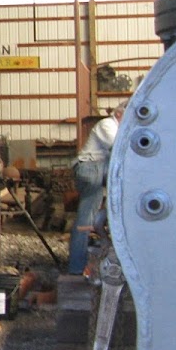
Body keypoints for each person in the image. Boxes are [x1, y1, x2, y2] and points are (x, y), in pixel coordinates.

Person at [69, 100, 127, 274]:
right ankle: (77, 266)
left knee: (88, 215)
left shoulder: (116, 127)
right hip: (90, 168)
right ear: (119, 114)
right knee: (85, 218)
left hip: (97, 169)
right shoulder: (107, 125)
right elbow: (119, 147)